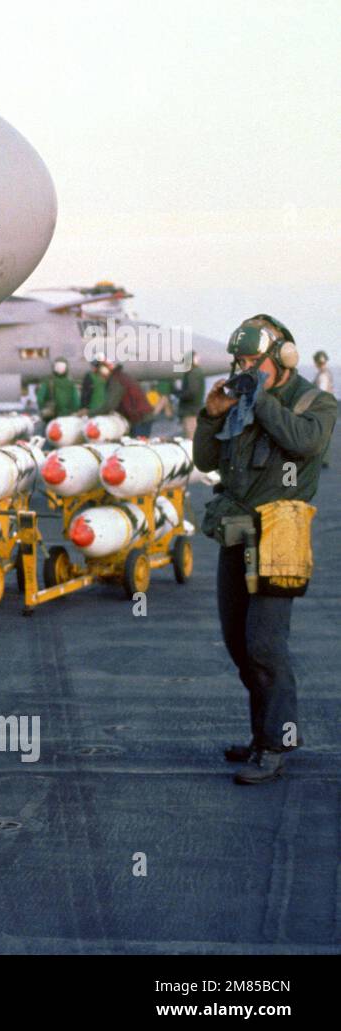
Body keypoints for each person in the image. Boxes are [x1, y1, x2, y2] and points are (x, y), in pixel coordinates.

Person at [193, 315, 336, 784]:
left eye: (254, 360)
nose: (245, 367)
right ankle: (264, 736)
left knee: (265, 645)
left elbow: (303, 442)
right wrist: (212, 415)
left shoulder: (317, 402)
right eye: (241, 360)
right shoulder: (239, 401)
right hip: (237, 533)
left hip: (281, 535)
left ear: (283, 359)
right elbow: (206, 461)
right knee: (238, 643)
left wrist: (261, 399)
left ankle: (275, 745)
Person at [101, 359, 155, 435]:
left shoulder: (116, 380)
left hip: (139, 418)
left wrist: (90, 413)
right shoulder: (122, 377)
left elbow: (110, 405)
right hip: (141, 416)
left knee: (137, 444)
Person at [176, 352, 206, 439]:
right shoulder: (195, 372)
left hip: (190, 412)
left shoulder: (193, 373)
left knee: (191, 438)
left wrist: (179, 395)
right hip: (194, 410)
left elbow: (192, 392)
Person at [315, 351, 333, 467]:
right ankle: (324, 458)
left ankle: (323, 459)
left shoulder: (322, 375)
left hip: (323, 407)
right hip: (328, 406)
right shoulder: (327, 373)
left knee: (322, 433)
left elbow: (321, 391)